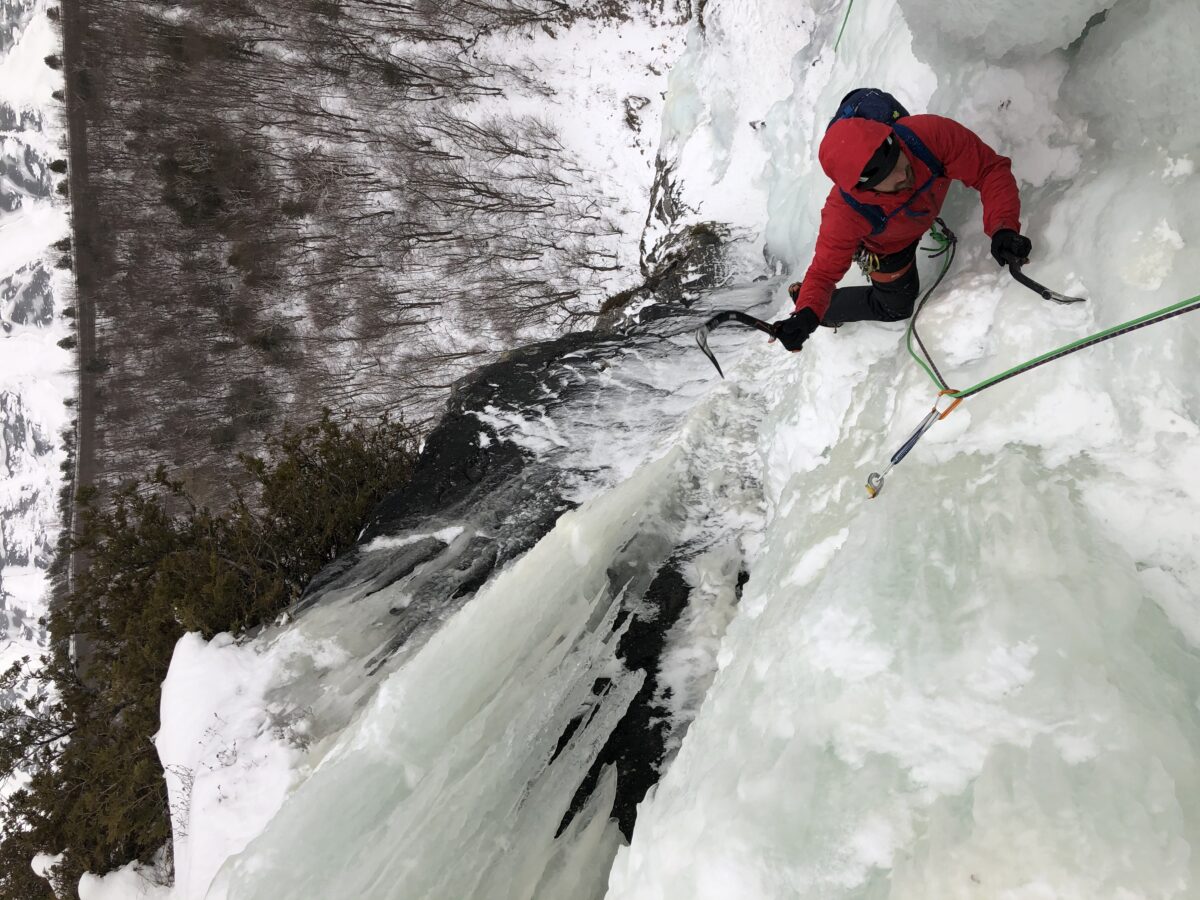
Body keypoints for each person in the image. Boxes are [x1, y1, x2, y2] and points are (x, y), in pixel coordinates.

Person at [773, 104, 1034, 352]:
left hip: (912, 218)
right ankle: (826, 308)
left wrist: (1003, 229)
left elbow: (989, 169)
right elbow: (823, 275)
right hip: (887, 247)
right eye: (889, 178)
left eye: (897, 159)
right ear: (864, 190)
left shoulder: (926, 137)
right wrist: (807, 314)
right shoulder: (844, 215)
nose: (903, 174)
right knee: (895, 308)